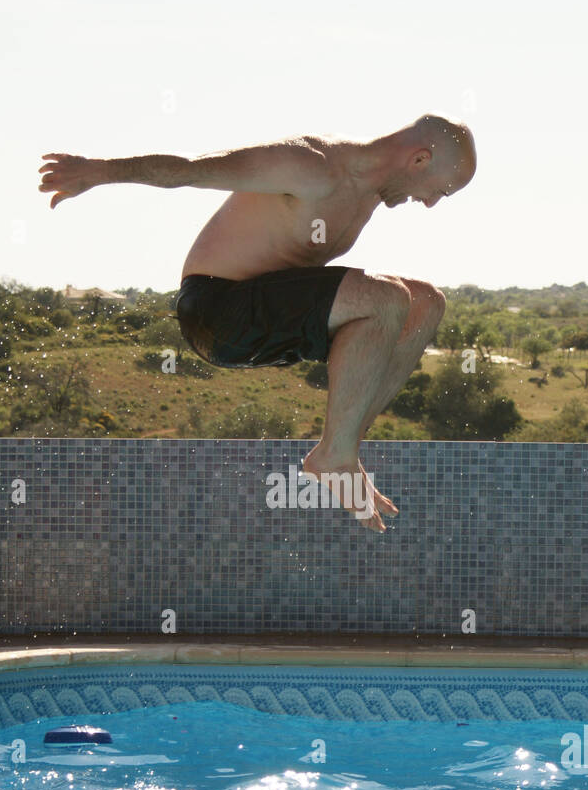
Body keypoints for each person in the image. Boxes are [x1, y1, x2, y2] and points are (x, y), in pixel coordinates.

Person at [38, 113, 476, 530]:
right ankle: (334, 454)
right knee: (386, 299)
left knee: (425, 304)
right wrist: (96, 171)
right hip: (217, 309)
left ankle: (344, 451)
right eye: (440, 190)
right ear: (420, 159)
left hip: (270, 314)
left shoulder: (368, 193)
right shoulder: (313, 165)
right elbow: (190, 169)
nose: (430, 203)